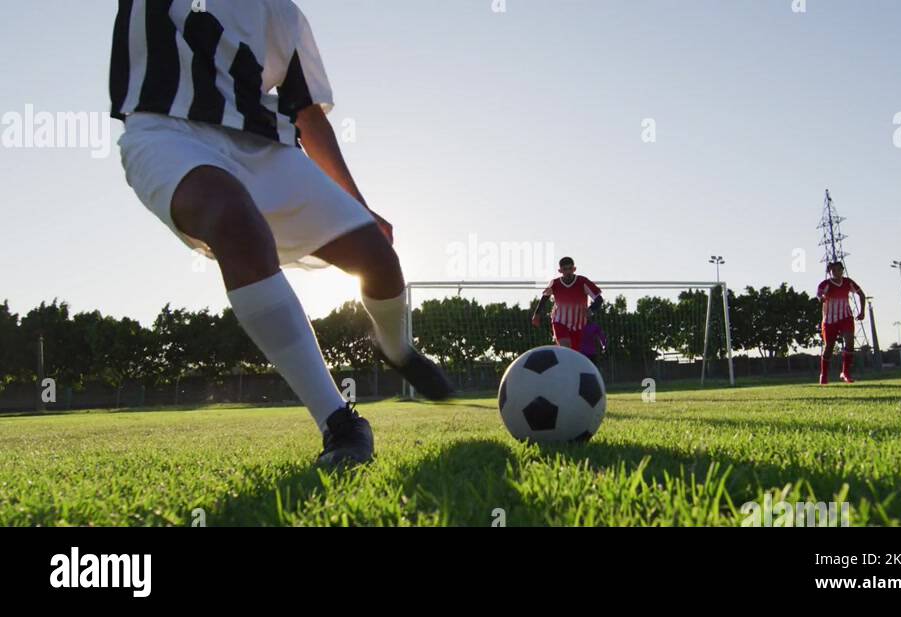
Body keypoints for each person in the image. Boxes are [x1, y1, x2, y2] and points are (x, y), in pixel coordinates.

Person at [110, 1, 452, 466]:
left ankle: (396, 348)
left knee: (377, 259)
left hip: (266, 147)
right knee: (236, 222)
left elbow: (309, 117)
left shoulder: (283, 16)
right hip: (168, 134)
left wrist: (360, 205)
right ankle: (340, 423)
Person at [531, 257, 603, 352]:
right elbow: (545, 297)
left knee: (574, 354)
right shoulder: (555, 283)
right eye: (565, 269)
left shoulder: (583, 282)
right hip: (560, 322)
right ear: (560, 271)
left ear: (574, 269)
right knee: (565, 348)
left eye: (570, 269)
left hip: (579, 325)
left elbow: (599, 299)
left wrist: (591, 310)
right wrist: (537, 314)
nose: (568, 272)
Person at [816, 262, 866, 384]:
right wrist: (822, 298)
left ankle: (846, 372)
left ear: (842, 270)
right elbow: (819, 294)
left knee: (849, 341)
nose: (836, 272)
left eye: (839, 270)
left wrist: (862, 311)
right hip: (829, 319)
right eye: (833, 270)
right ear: (830, 272)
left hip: (845, 316)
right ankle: (824, 375)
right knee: (829, 347)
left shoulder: (848, 282)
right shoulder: (825, 284)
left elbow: (861, 294)